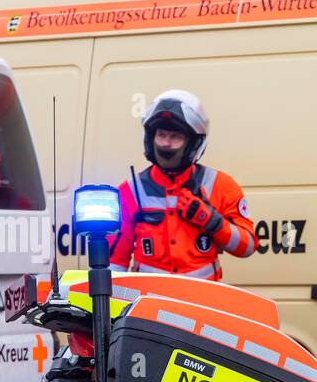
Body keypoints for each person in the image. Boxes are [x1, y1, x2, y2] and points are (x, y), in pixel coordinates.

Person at [110, 89, 256, 279]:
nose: (166, 143)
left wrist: (212, 222)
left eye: (175, 137)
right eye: (161, 135)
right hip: (148, 303)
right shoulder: (129, 191)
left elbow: (248, 246)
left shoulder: (219, 185)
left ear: (193, 142)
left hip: (202, 303)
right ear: (150, 137)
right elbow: (114, 263)